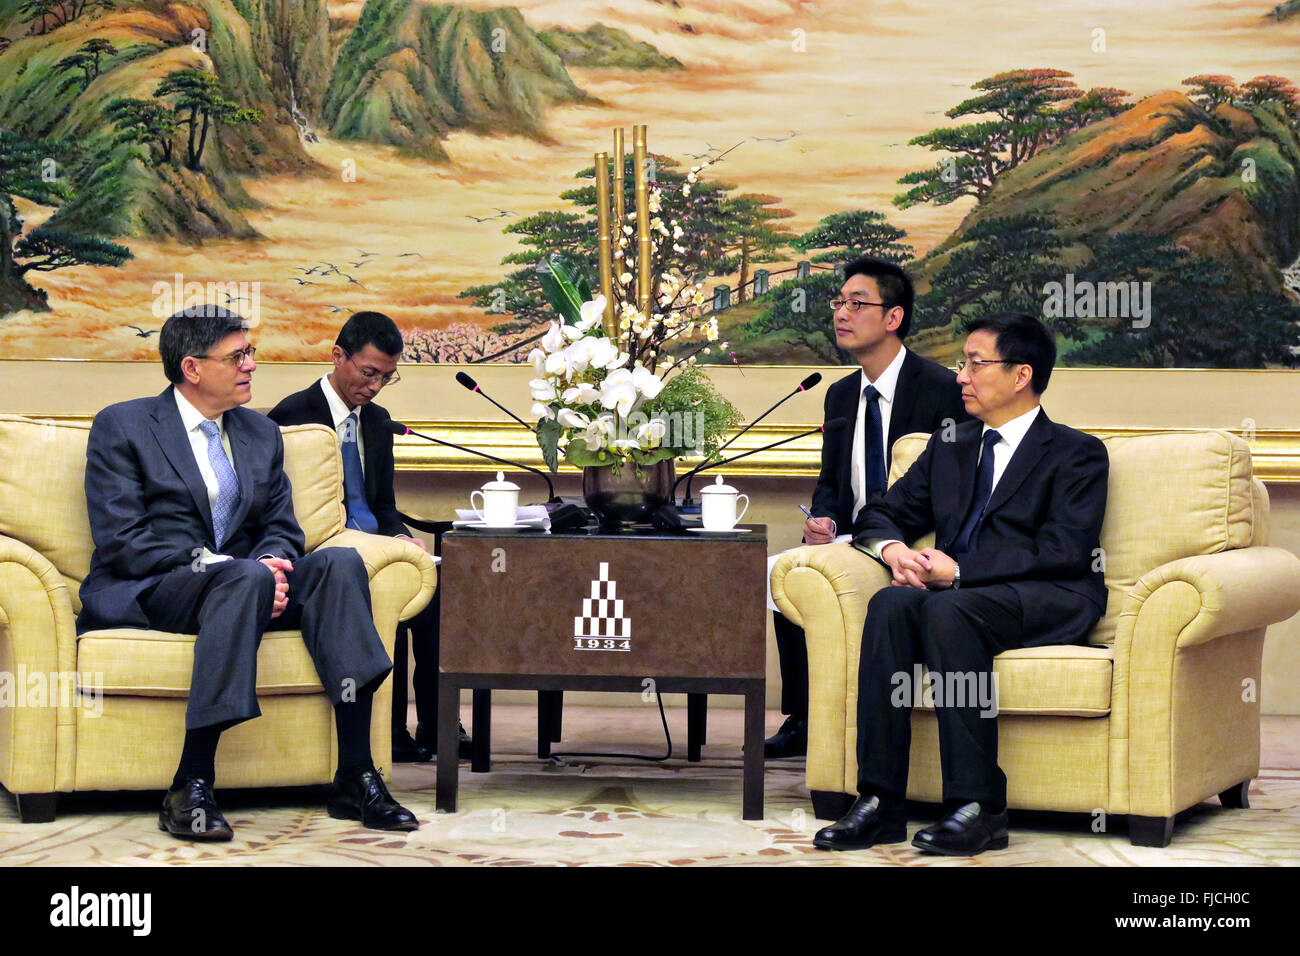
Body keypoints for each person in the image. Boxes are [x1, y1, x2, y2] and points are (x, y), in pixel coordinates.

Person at [78, 307, 418, 841]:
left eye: (250, 353)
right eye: (239, 356)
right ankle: (189, 782)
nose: (252, 365)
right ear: (192, 368)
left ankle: (355, 773)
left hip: (245, 584)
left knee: (340, 563)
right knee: (244, 579)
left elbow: (282, 527)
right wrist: (230, 568)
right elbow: (123, 540)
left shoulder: (260, 432)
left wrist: (270, 561)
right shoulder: (123, 424)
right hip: (156, 585)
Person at [812, 311, 1109, 855]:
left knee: (949, 609)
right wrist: (895, 549)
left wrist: (962, 572)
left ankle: (978, 807)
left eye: (976, 364)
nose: (961, 377)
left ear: (1021, 375)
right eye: (961, 363)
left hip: (1052, 595)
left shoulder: (1077, 452)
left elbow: (1065, 550)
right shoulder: (951, 443)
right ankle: (878, 801)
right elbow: (883, 510)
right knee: (890, 604)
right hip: (962, 598)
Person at [765, 257, 969, 758]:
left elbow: (951, 485)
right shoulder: (839, 395)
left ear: (893, 318)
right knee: (786, 569)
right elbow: (832, 482)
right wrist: (825, 519)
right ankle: (805, 715)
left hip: (912, 541)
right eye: (839, 303)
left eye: (857, 304)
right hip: (849, 538)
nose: (842, 313)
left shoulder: (942, 388)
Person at [267, 311, 471, 763]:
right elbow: (283, 510)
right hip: (327, 553)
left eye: (387, 378)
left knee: (436, 588)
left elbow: (383, 504)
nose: (375, 386)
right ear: (339, 356)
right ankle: (389, 731)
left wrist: (401, 535)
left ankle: (438, 726)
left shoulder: (377, 421)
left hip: (379, 545)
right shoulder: (291, 416)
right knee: (380, 583)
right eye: (369, 373)